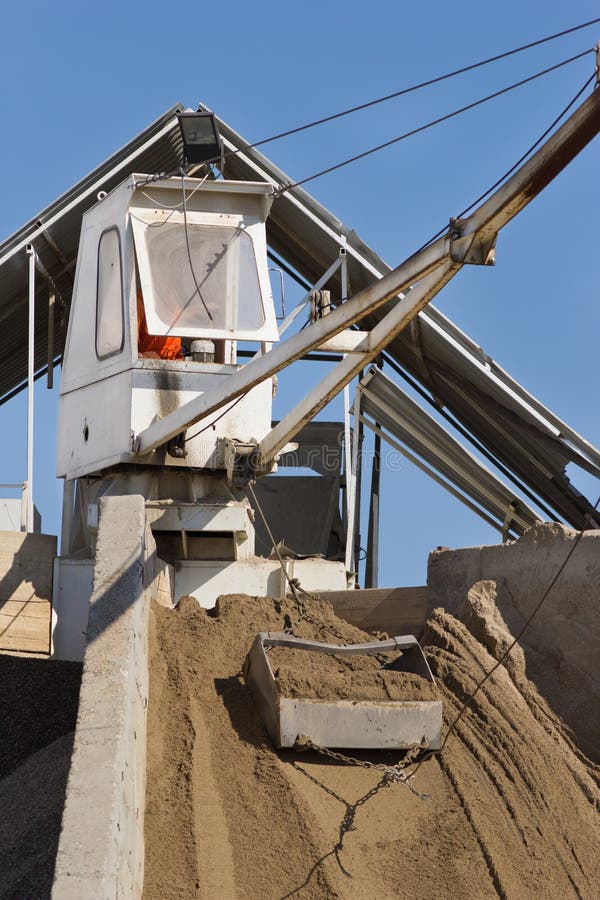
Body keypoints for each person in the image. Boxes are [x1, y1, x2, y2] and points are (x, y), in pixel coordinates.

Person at [137, 291, 183, 360]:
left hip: (172, 367)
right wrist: (144, 356)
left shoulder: (181, 306)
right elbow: (129, 353)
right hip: (145, 366)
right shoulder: (140, 302)